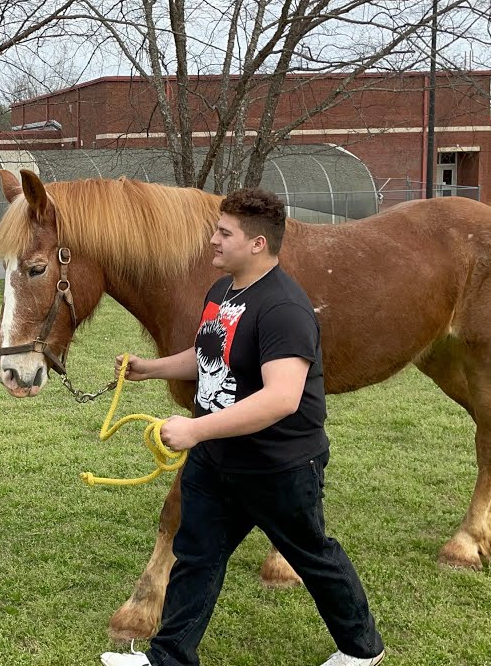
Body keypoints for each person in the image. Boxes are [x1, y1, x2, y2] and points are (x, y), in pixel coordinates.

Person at [100, 188, 385, 666]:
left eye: (223, 233)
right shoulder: (223, 291)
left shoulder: (283, 308)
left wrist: (196, 431)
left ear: (257, 244)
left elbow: (281, 397)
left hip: (278, 465)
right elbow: (208, 353)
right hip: (218, 460)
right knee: (197, 555)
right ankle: (167, 658)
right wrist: (151, 368)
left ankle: (362, 650)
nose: (211, 240)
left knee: (314, 557)